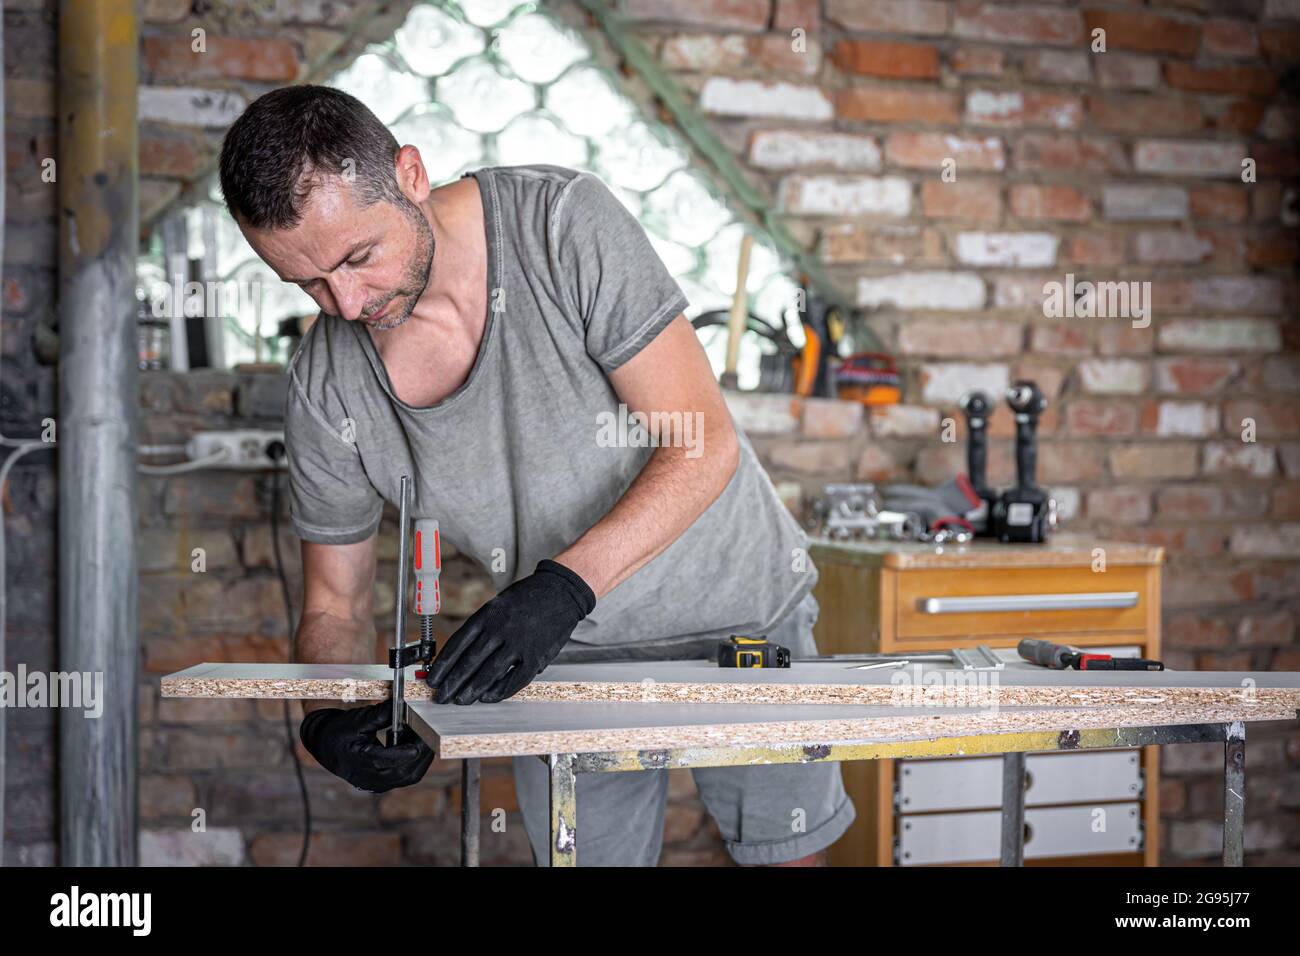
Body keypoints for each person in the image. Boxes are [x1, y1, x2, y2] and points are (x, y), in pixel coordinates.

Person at [217, 85, 853, 866]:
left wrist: (562, 589)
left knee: (787, 860)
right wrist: (326, 714)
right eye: (308, 285)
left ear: (411, 174)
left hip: (740, 622)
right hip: (559, 655)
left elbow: (704, 445)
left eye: (357, 258)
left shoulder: (562, 225)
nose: (346, 304)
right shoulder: (326, 385)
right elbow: (334, 603)